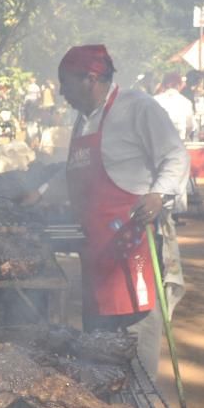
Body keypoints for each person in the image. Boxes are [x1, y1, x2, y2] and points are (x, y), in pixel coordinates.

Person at [53, 44, 189, 375]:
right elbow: (74, 173)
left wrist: (157, 194)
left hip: (133, 245)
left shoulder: (137, 107)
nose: (60, 92)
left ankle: (142, 400)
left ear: (90, 79)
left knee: (135, 335)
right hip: (95, 251)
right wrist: (40, 193)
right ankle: (104, 401)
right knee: (97, 339)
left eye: (65, 83)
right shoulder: (83, 121)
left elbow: (176, 156)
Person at [153, 72, 195, 141]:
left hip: (158, 140)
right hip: (178, 141)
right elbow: (190, 126)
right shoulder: (185, 102)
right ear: (179, 85)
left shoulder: (154, 100)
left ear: (163, 84)